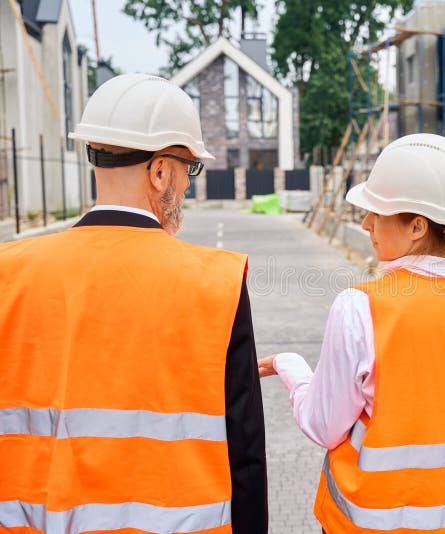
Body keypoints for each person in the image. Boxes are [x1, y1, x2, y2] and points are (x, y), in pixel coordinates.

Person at [0, 74, 267, 532]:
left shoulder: (9, 272)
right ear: (160, 171)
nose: (186, 186)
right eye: (189, 170)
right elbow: (244, 458)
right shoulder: (216, 283)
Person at [259, 133, 445, 533]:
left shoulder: (360, 307)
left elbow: (322, 425)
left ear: (417, 226)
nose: (366, 223)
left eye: (377, 213)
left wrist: (291, 367)